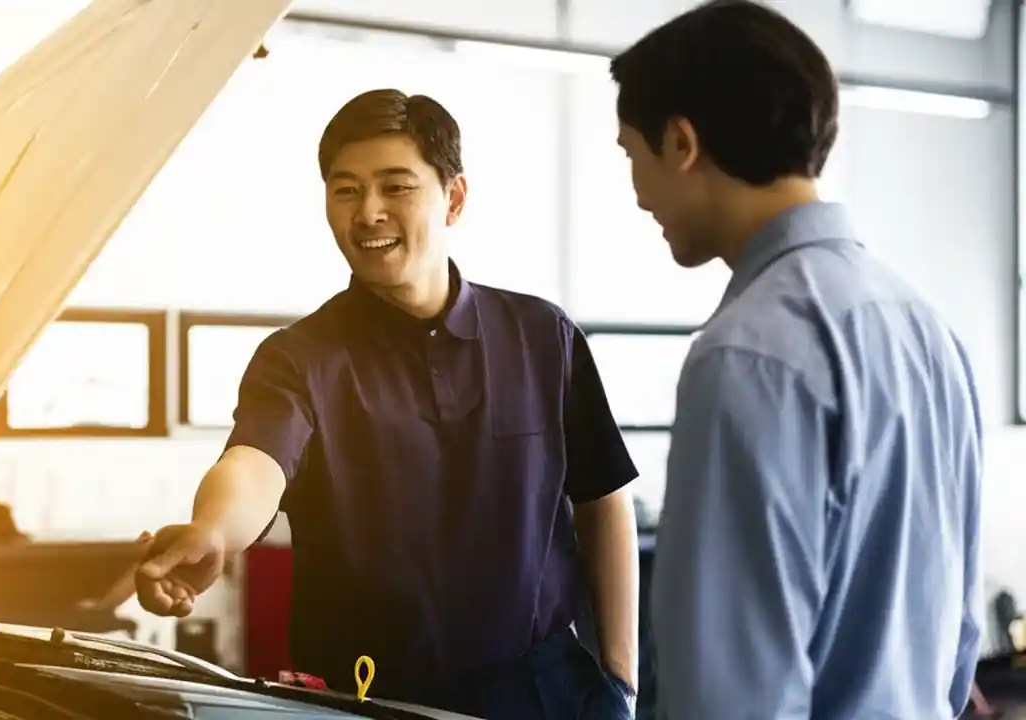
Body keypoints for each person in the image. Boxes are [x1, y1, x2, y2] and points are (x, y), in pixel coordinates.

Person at [134, 88, 641, 718]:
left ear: (454, 198)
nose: (367, 212)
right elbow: (254, 464)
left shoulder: (542, 336)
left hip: (542, 688)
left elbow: (602, 495)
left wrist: (621, 678)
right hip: (372, 696)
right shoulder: (300, 358)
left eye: (395, 187)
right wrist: (212, 530)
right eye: (345, 190)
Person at [608, 1, 984, 718]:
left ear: (682, 143)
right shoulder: (930, 330)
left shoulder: (746, 354)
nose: (637, 194)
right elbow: (958, 637)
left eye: (633, 154)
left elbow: (729, 695)